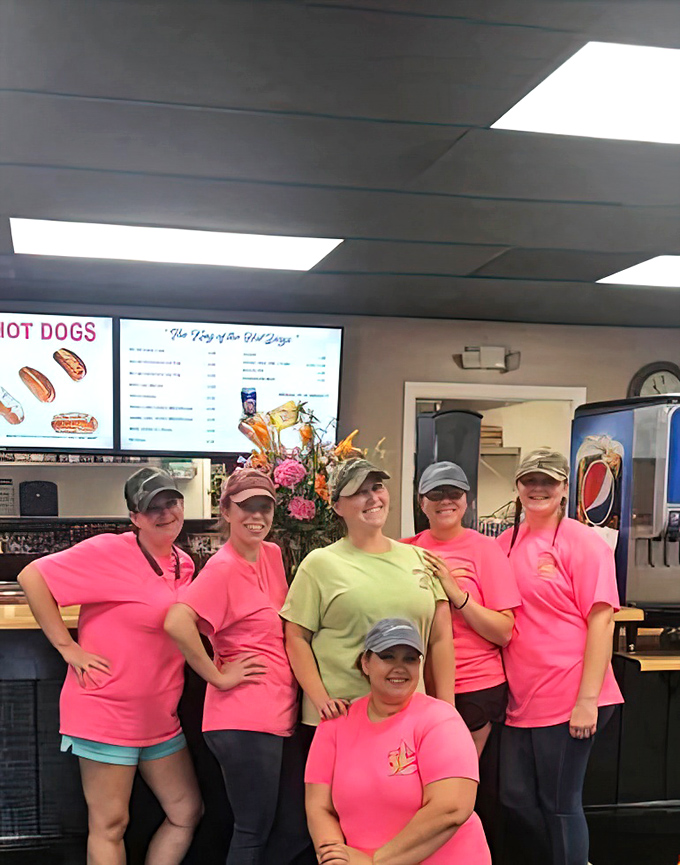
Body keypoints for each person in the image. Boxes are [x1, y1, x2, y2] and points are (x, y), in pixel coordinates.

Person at [17, 467, 203, 865]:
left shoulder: (184, 564)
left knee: (186, 813)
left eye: (171, 502)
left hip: (160, 716)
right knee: (111, 823)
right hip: (107, 712)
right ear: (134, 518)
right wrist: (68, 647)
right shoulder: (109, 550)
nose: (165, 512)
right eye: (152, 507)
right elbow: (32, 576)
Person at [164, 468, 312, 865]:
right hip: (243, 719)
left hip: (278, 713)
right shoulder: (223, 568)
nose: (257, 516)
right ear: (226, 510)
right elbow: (177, 622)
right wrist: (217, 675)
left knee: (294, 826)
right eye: (247, 506)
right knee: (253, 830)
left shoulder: (273, 554)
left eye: (265, 507)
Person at [497, 448, 623, 865]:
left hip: (571, 694)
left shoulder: (584, 543)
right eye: (529, 481)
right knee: (514, 797)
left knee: (560, 803)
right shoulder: (503, 543)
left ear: (565, 488)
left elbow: (602, 621)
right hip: (522, 697)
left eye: (548, 482)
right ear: (517, 488)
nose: (538, 489)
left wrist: (587, 700)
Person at [281, 458, 455, 733]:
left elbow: (441, 639)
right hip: (340, 720)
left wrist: (447, 711)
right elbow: (296, 638)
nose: (372, 498)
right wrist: (321, 700)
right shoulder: (319, 564)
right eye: (360, 492)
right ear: (337, 506)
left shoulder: (420, 559)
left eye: (377, 487)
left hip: (409, 717)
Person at [305, 618, 491, 864]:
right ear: (366, 663)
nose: (400, 667)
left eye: (410, 658)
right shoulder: (335, 725)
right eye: (388, 656)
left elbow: (452, 808)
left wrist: (376, 862)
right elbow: (319, 807)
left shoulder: (441, 719)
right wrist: (333, 856)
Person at [402, 461, 521, 755]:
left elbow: (504, 632)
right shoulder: (405, 551)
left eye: (454, 493)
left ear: (466, 500)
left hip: (474, 686)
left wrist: (457, 594)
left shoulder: (485, 550)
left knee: (456, 781)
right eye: (436, 493)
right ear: (422, 502)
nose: (445, 501)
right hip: (416, 685)